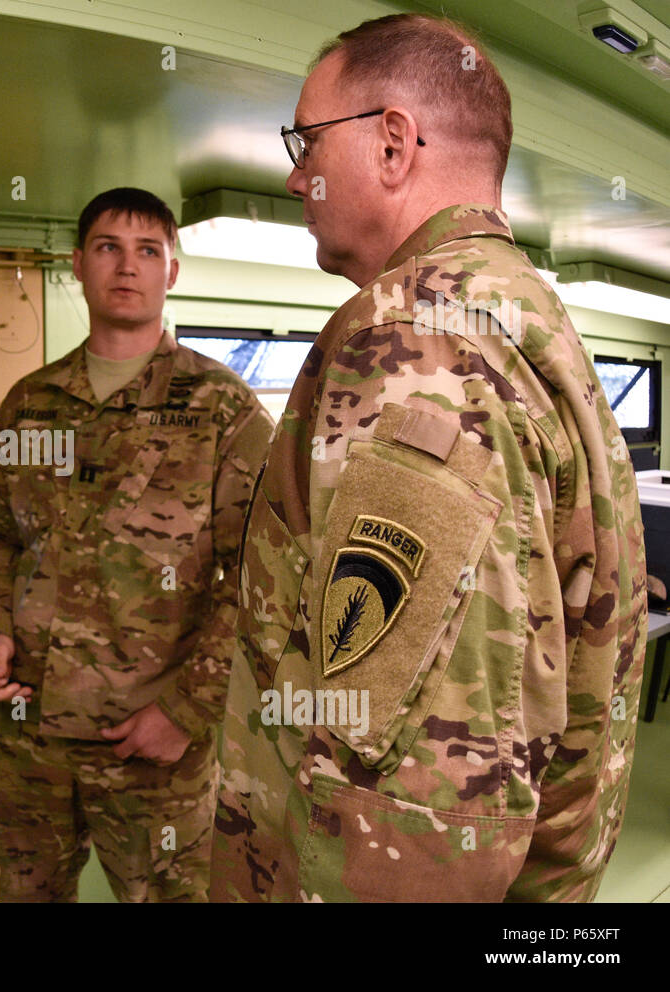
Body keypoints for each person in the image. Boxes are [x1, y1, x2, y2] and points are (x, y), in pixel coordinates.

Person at [210, 13, 648, 902]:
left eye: (307, 140)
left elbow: (414, 816)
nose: (297, 175)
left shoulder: (414, 343)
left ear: (394, 144)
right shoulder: (529, 317)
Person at [0, 187, 274, 901]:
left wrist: (188, 712)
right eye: (108, 247)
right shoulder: (28, 403)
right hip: (26, 735)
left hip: (150, 743)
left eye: (147, 251)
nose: (126, 266)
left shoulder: (222, 409)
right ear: (78, 263)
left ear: (172, 270)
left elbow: (260, 576)